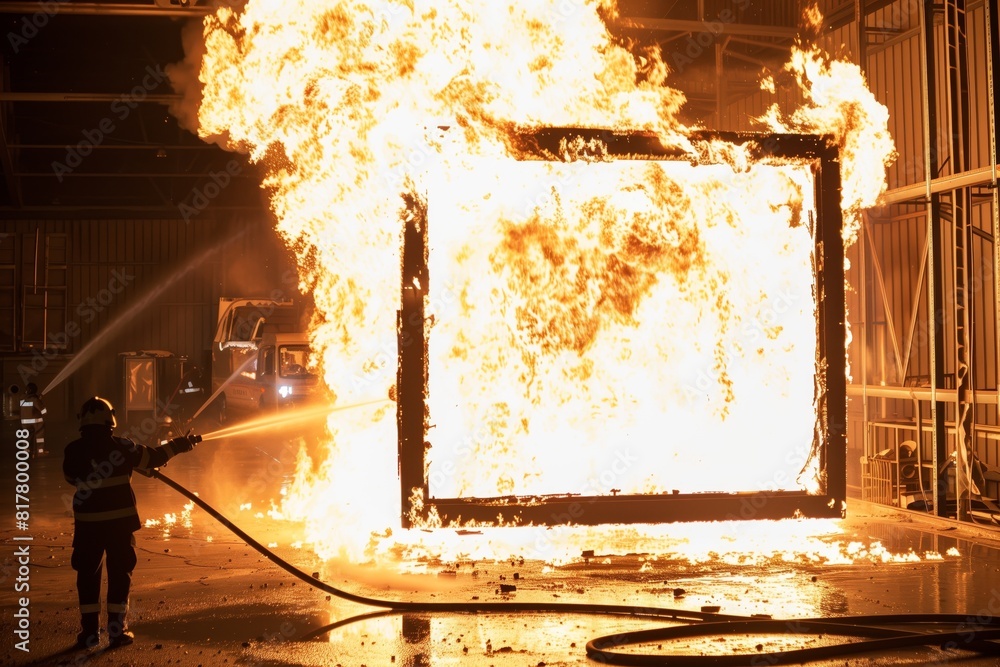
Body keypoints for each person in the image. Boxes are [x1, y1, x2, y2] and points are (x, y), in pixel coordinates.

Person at [63, 396, 200, 649]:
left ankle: (89, 633)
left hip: (88, 527)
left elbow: (71, 477)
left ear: (82, 421)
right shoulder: (123, 447)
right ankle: (117, 633)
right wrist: (180, 444)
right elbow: (155, 457)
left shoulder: (73, 450)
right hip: (119, 527)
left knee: (87, 576)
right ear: (110, 421)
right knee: (119, 575)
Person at [19, 382, 46, 459]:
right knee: (39, 436)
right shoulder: (35, 399)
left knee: (27, 437)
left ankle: (26, 452)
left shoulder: (22, 398)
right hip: (36, 422)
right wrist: (40, 400)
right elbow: (43, 410)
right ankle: (40, 451)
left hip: (24, 423)